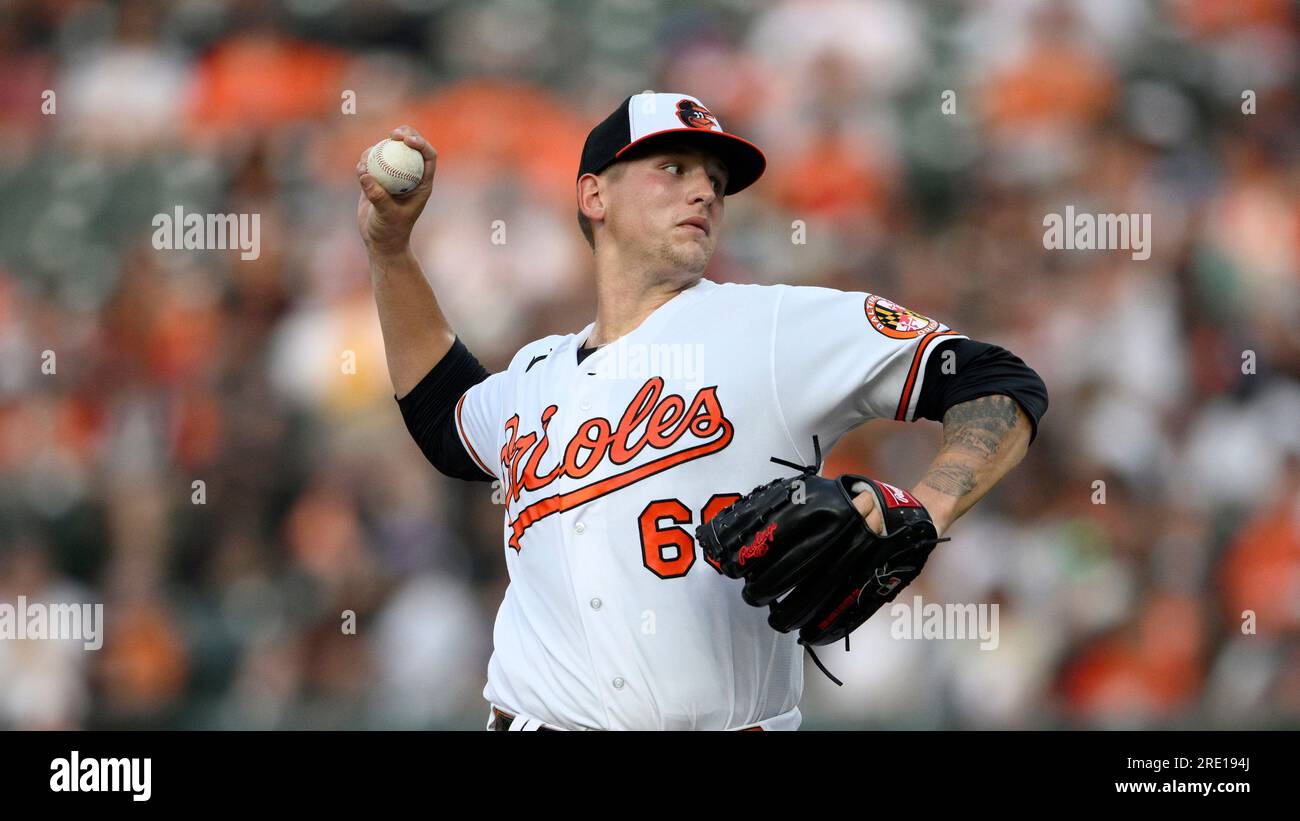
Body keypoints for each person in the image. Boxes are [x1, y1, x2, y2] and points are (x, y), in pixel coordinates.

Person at [356, 91, 1048, 731]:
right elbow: (444, 419)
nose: (705, 192)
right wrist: (389, 251)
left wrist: (924, 507)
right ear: (593, 194)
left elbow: (996, 379)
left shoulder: (775, 326)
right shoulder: (537, 370)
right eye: (675, 167)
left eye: (716, 181)